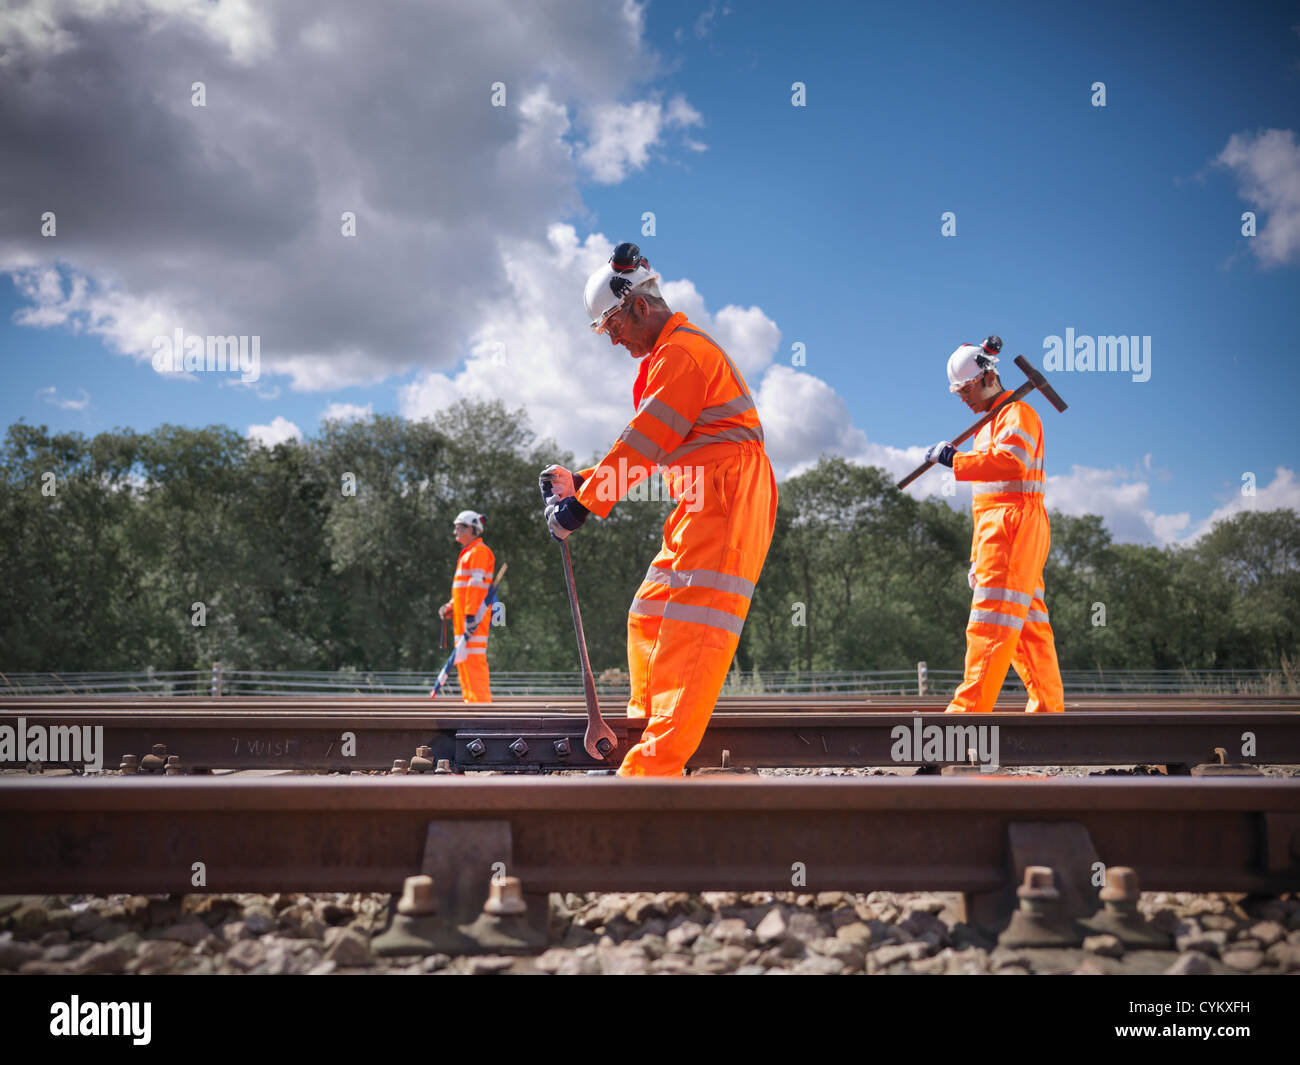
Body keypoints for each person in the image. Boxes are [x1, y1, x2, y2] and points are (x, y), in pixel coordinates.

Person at [540, 242, 778, 776]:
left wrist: (580, 505)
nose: (615, 342)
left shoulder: (683, 355)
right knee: (648, 616)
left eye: (614, 329)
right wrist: (581, 481)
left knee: (691, 633)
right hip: (702, 498)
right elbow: (652, 443)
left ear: (639, 308)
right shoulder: (672, 356)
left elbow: (646, 440)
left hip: (726, 497)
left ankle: (655, 767)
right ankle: (646, 732)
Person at [925, 338, 1064, 714]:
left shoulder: (1018, 413)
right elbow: (982, 504)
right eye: (958, 393)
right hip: (1000, 531)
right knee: (1027, 626)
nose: (963, 398)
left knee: (988, 624)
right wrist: (975, 557)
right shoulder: (984, 427)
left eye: (967, 389)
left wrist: (956, 460)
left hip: (1014, 527)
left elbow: (1012, 461)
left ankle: (965, 716)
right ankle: (1049, 713)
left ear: (988, 376)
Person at [438, 510, 494, 702]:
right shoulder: (469, 554)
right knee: (464, 663)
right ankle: (471, 706)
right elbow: (464, 590)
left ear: (472, 528)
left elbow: (476, 588)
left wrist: (470, 616)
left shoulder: (478, 553)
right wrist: (451, 606)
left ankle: (482, 711)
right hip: (465, 620)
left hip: (473, 620)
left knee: (473, 663)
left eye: (459, 527)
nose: (455, 532)